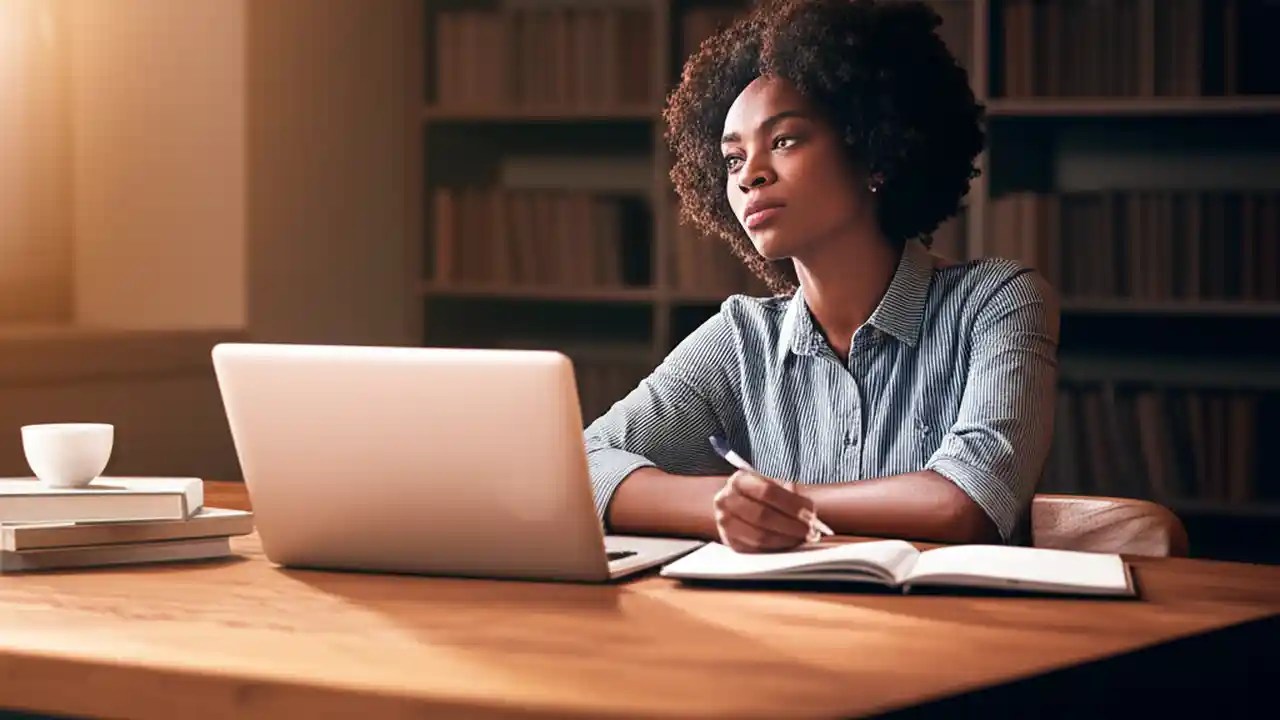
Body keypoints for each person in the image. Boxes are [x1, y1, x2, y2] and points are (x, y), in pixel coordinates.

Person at [583, 0, 1059, 553]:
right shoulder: (740, 339)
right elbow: (588, 464)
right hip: (791, 633)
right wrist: (727, 510)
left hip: (962, 631)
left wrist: (780, 504)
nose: (750, 176)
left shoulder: (999, 301)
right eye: (733, 159)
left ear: (873, 152)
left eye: (783, 140)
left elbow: (966, 502)